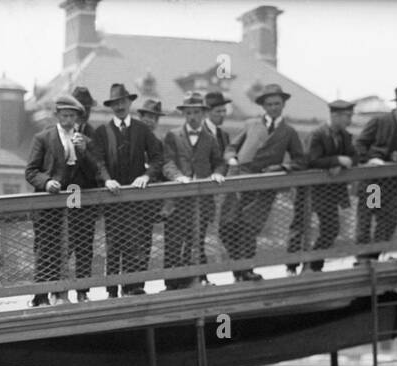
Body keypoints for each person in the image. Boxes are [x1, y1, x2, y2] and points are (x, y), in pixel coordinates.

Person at [219, 84, 307, 282]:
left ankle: (246, 269)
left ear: (283, 105)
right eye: (269, 104)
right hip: (240, 180)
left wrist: (282, 168)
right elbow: (231, 147)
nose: (273, 107)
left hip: (265, 185)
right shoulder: (251, 124)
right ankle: (237, 268)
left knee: (249, 227)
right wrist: (232, 159)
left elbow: (300, 160)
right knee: (227, 226)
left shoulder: (288, 132)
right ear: (263, 106)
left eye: (277, 104)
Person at [25, 93, 99, 306]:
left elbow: (95, 173)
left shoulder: (85, 141)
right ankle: (41, 296)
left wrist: (84, 152)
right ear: (57, 116)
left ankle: (82, 292)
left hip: (76, 195)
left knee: (82, 242)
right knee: (47, 246)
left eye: (72, 117)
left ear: (77, 118)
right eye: (64, 116)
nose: (68, 121)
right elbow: (31, 171)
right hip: (50, 199)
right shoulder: (43, 138)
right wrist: (46, 182)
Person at [90, 83, 163, 297]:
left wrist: (146, 176)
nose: (119, 106)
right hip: (114, 198)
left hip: (137, 199)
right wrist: (106, 180)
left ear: (130, 102)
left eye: (122, 102)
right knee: (114, 246)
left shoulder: (141, 130)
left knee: (137, 242)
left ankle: (133, 287)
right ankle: (112, 291)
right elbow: (97, 160)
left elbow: (158, 157)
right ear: (111, 106)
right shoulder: (103, 132)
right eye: (115, 103)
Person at [161, 92, 227, 289]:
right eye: (189, 113)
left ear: (203, 114)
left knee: (196, 241)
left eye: (196, 112)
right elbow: (167, 162)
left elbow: (219, 162)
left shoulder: (210, 138)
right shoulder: (173, 135)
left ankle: (195, 280)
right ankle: (172, 284)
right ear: (184, 114)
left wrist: (217, 173)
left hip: (201, 200)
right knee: (173, 242)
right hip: (179, 200)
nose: (192, 117)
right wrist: (178, 177)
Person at [355, 84, 397, 259]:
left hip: (394, 186)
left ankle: (374, 255)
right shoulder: (380, 122)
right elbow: (360, 145)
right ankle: (363, 257)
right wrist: (371, 160)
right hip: (374, 183)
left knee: (389, 220)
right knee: (368, 215)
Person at [302, 100, 355, 272]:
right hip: (314, 192)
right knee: (305, 229)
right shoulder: (317, 134)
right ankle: (304, 266)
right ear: (335, 115)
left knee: (331, 228)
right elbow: (311, 160)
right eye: (347, 116)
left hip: (333, 192)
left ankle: (314, 265)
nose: (350, 120)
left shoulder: (345, 136)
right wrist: (336, 160)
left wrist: (342, 163)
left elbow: (356, 156)